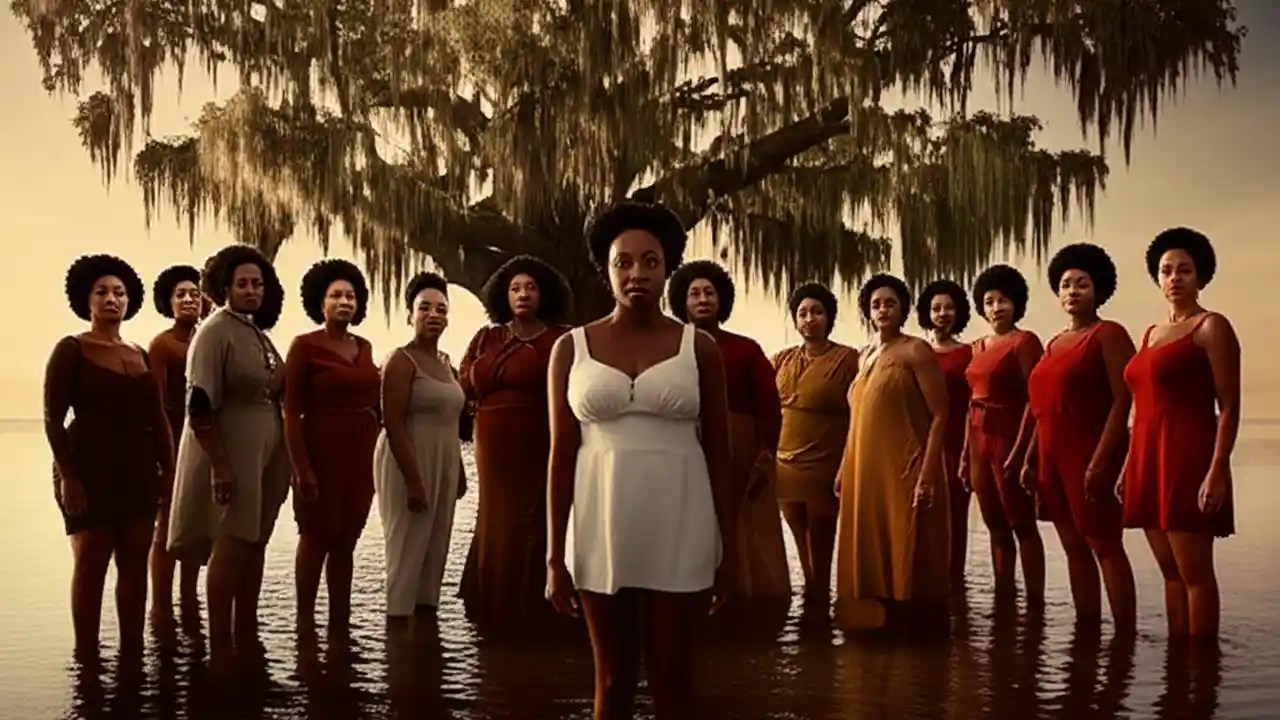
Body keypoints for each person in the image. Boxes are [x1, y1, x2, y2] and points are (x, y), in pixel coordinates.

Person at [545, 200, 734, 719]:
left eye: (650, 261)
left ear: (667, 267)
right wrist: (554, 556)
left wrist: (730, 548)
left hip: (683, 521)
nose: (636, 274)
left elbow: (720, 453)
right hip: (601, 524)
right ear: (605, 271)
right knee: (611, 678)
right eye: (623, 262)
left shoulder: (699, 348)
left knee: (674, 677)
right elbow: (561, 456)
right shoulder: (571, 348)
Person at [44, 254, 174, 657]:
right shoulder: (71, 350)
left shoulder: (139, 353)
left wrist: (170, 475)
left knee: (135, 565)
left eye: (119, 292)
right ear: (87, 301)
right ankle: (87, 658)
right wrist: (69, 476)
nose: (111, 299)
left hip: (137, 469)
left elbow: (159, 420)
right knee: (91, 563)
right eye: (102, 292)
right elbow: (52, 418)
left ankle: (132, 654)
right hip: (88, 467)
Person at [166, 244, 290, 656]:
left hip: (266, 454)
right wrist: (219, 464)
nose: (251, 290)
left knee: (255, 542)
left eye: (257, 284)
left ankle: (246, 631)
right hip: (232, 450)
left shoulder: (256, 332)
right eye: (242, 284)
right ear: (224, 287)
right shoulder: (214, 331)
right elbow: (198, 403)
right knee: (232, 542)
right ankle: (220, 641)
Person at [1120, 228, 1240, 641]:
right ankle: (1178, 664)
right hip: (1147, 458)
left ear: (1201, 276)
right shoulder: (1150, 334)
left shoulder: (1211, 327)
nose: (1174, 277)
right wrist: (1127, 466)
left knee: (1195, 575)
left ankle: (1202, 674)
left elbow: (1229, 407)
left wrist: (1217, 470)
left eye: (1184, 270)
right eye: (1166, 270)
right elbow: (1142, 405)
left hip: (1188, 459)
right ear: (1157, 278)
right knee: (1169, 573)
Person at [458, 254, 573, 637]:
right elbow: (463, 384)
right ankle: (493, 604)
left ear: (545, 294)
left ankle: (538, 609)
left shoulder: (560, 338)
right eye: (514, 288)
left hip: (538, 439)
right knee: (495, 517)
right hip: (491, 444)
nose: (523, 294)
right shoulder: (485, 337)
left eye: (531, 287)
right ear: (502, 296)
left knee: (535, 515)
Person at [1025, 243, 1137, 631]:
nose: (1073, 291)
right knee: (1073, 547)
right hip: (1051, 458)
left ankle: (1124, 636)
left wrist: (1101, 461)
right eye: (1066, 284)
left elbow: (1124, 400)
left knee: (1105, 545)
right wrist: (1030, 459)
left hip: (1090, 454)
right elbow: (1042, 408)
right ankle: (1086, 629)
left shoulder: (1108, 334)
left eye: (1082, 284)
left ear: (1099, 288)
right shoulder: (1053, 343)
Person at [834, 274, 950, 632]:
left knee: (907, 543)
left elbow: (941, 415)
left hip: (905, 464)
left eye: (890, 303)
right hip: (863, 467)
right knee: (869, 541)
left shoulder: (916, 350)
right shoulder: (864, 355)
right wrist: (842, 467)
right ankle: (872, 626)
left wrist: (927, 474)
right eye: (876, 304)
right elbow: (857, 418)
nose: (883, 309)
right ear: (869, 313)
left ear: (903, 310)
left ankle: (914, 630)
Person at [668, 259, 789, 601]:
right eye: (694, 293)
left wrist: (766, 455)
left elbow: (769, 409)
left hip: (740, 446)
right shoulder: (672, 347)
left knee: (739, 520)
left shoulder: (746, 349)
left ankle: (748, 598)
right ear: (682, 301)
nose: (703, 299)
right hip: (686, 443)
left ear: (722, 300)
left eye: (710, 292)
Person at [283, 259, 381, 631]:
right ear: (319, 303)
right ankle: (304, 622)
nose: (344, 302)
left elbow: (375, 401)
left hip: (360, 455)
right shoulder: (304, 346)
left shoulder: (365, 346)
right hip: (321, 449)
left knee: (346, 540)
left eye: (351, 296)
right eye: (335, 295)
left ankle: (341, 621)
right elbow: (291, 414)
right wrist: (302, 470)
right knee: (315, 537)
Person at [373, 272, 468, 620]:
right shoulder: (401, 360)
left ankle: (425, 648)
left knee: (435, 548)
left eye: (441, 309)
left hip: (443, 461)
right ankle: (397, 635)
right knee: (406, 550)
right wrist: (413, 480)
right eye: (424, 307)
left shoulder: (446, 364)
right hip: (407, 460)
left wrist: (457, 471)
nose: (434, 315)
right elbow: (393, 423)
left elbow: (452, 422)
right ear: (409, 315)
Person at [964, 264, 1046, 606]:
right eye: (989, 301)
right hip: (977, 438)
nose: (996, 307)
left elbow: (1036, 400)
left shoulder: (1024, 342)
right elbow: (970, 403)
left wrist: (1023, 454)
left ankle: (1036, 604)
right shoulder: (977, 346)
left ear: (1016, 303)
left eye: (1003, 300)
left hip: (1010, 434)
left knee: (1022, 524)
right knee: (994, 524)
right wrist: (964, 456)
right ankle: (1004, 598)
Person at [773, 282, 858, 605]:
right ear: (795, 320)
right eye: (803, 313)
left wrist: (848, 463)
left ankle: (821, 602)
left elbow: (861, 411)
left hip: (826, 465)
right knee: (798, 538)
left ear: (829, 317)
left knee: (822, 540)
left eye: (817, 312)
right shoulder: (781, 360)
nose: (810, 319)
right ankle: (810, 607)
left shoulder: (849, 359)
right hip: (785, 466)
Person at [147, 264, 204, 617]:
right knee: (166, 524)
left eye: (195, 294)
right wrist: (164, 455)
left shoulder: (208, 338)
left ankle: (189, 598)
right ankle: (162, 604)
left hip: (203, 442)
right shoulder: (163, 345)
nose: (188, 299)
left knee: (195, 522)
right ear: (168, 302)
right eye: (180, 294)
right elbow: (153, 403)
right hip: (171, 442)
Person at [917, 279, 975, 587]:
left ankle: (954, 583)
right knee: (920, 514)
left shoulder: (968, 353)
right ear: (927, 313)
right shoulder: (916, 351)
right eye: (936, 308)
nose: (942, 314)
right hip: (919, 441)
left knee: (955, 516)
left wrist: (969, 447)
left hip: (955, 441)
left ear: (959, 312)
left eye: (949, 308)